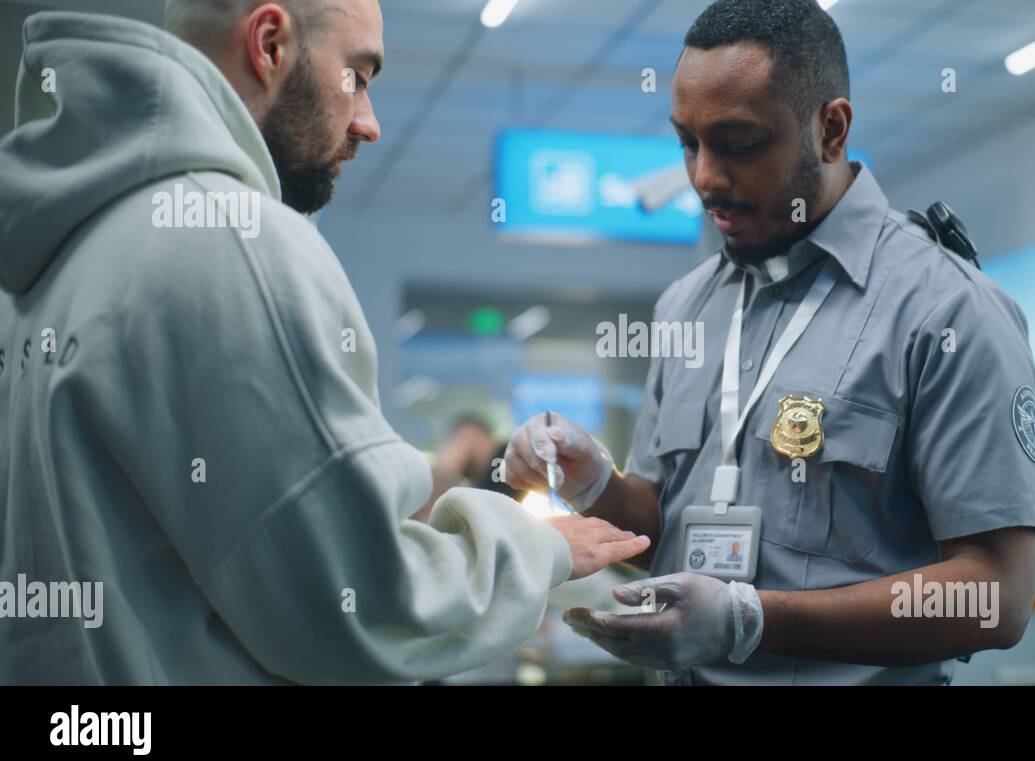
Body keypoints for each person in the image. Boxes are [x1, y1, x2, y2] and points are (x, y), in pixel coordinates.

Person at [0, 1, 647, 685]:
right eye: (358, 76)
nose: (368, 122)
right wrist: (536, 549)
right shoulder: (234, 239)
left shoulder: (53, 256)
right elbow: (361, 601)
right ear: (270, 42)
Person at [505, 0, 1035, 685]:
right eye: (687, 142)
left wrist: (752, 618)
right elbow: (662, 530)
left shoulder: (947, 311)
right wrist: (595, 484)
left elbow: (995, 596)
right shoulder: (687, 303)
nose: (704, 176)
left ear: (831, 128)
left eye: (739, 142)